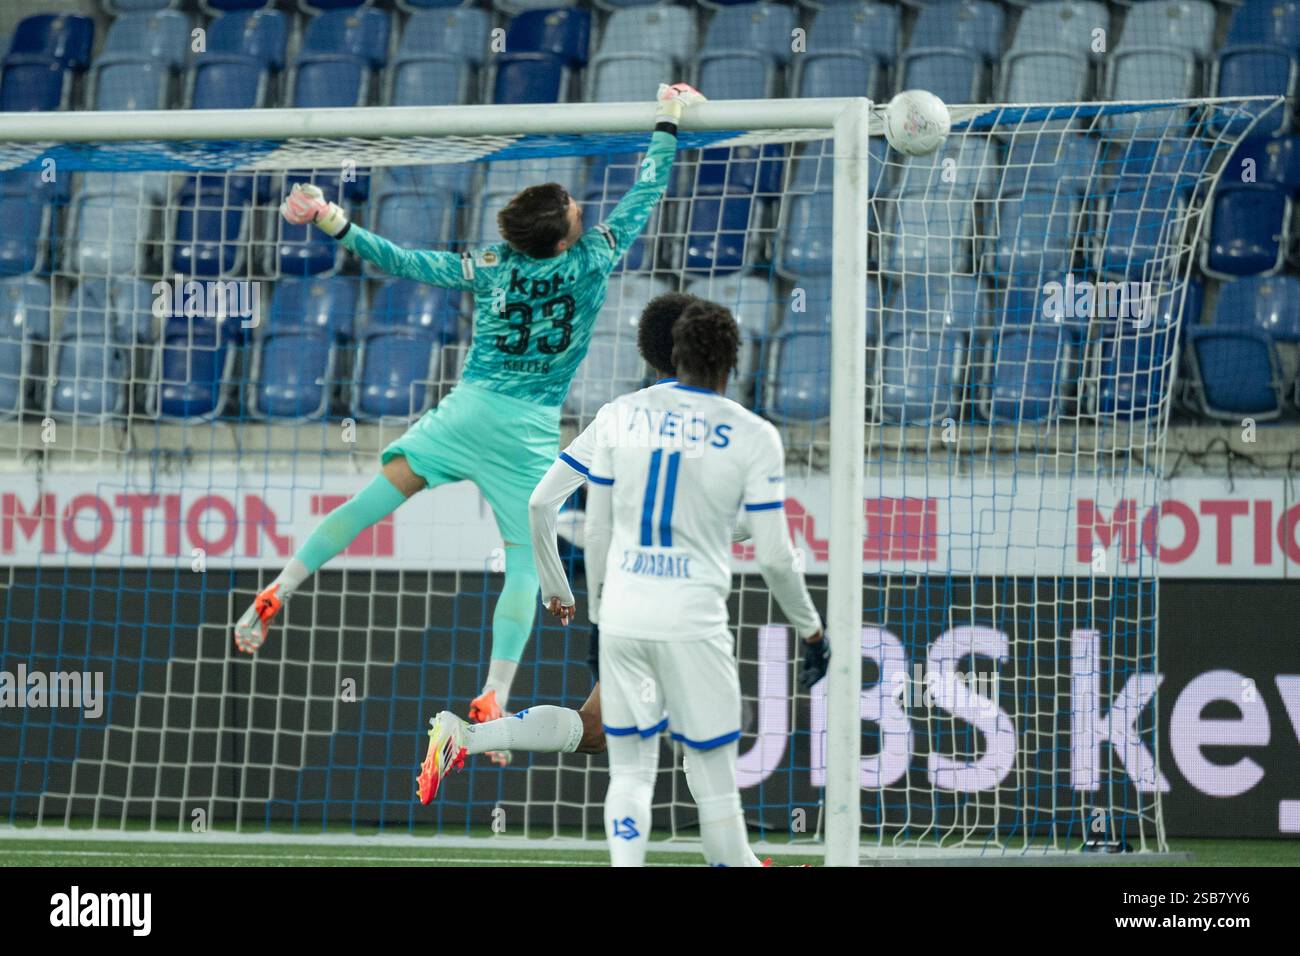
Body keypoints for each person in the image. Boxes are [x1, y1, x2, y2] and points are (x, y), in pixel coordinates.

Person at [232, 84, 706, 748]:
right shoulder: (595, 258)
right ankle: (493, 696)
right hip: (528, 430)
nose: (582, 206)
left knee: (367, 506)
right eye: (575, 208)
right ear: (567, 235)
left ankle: (280, 586)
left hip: (467, 412)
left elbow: (401, 261)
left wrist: (334, 219)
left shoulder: (491, 265)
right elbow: (647, 191)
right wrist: (668, 118)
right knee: (520, 566)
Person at [554, 301, 826, 866]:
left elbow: (598, 526)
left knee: (629, 774)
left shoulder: (623, 416)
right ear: (733, 364)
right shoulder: (753, 435)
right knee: (716, 790)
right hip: (693, 625)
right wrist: (812, 632)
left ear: (672, 354)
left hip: (624, 617)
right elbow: (776, 556)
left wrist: (600, 619)